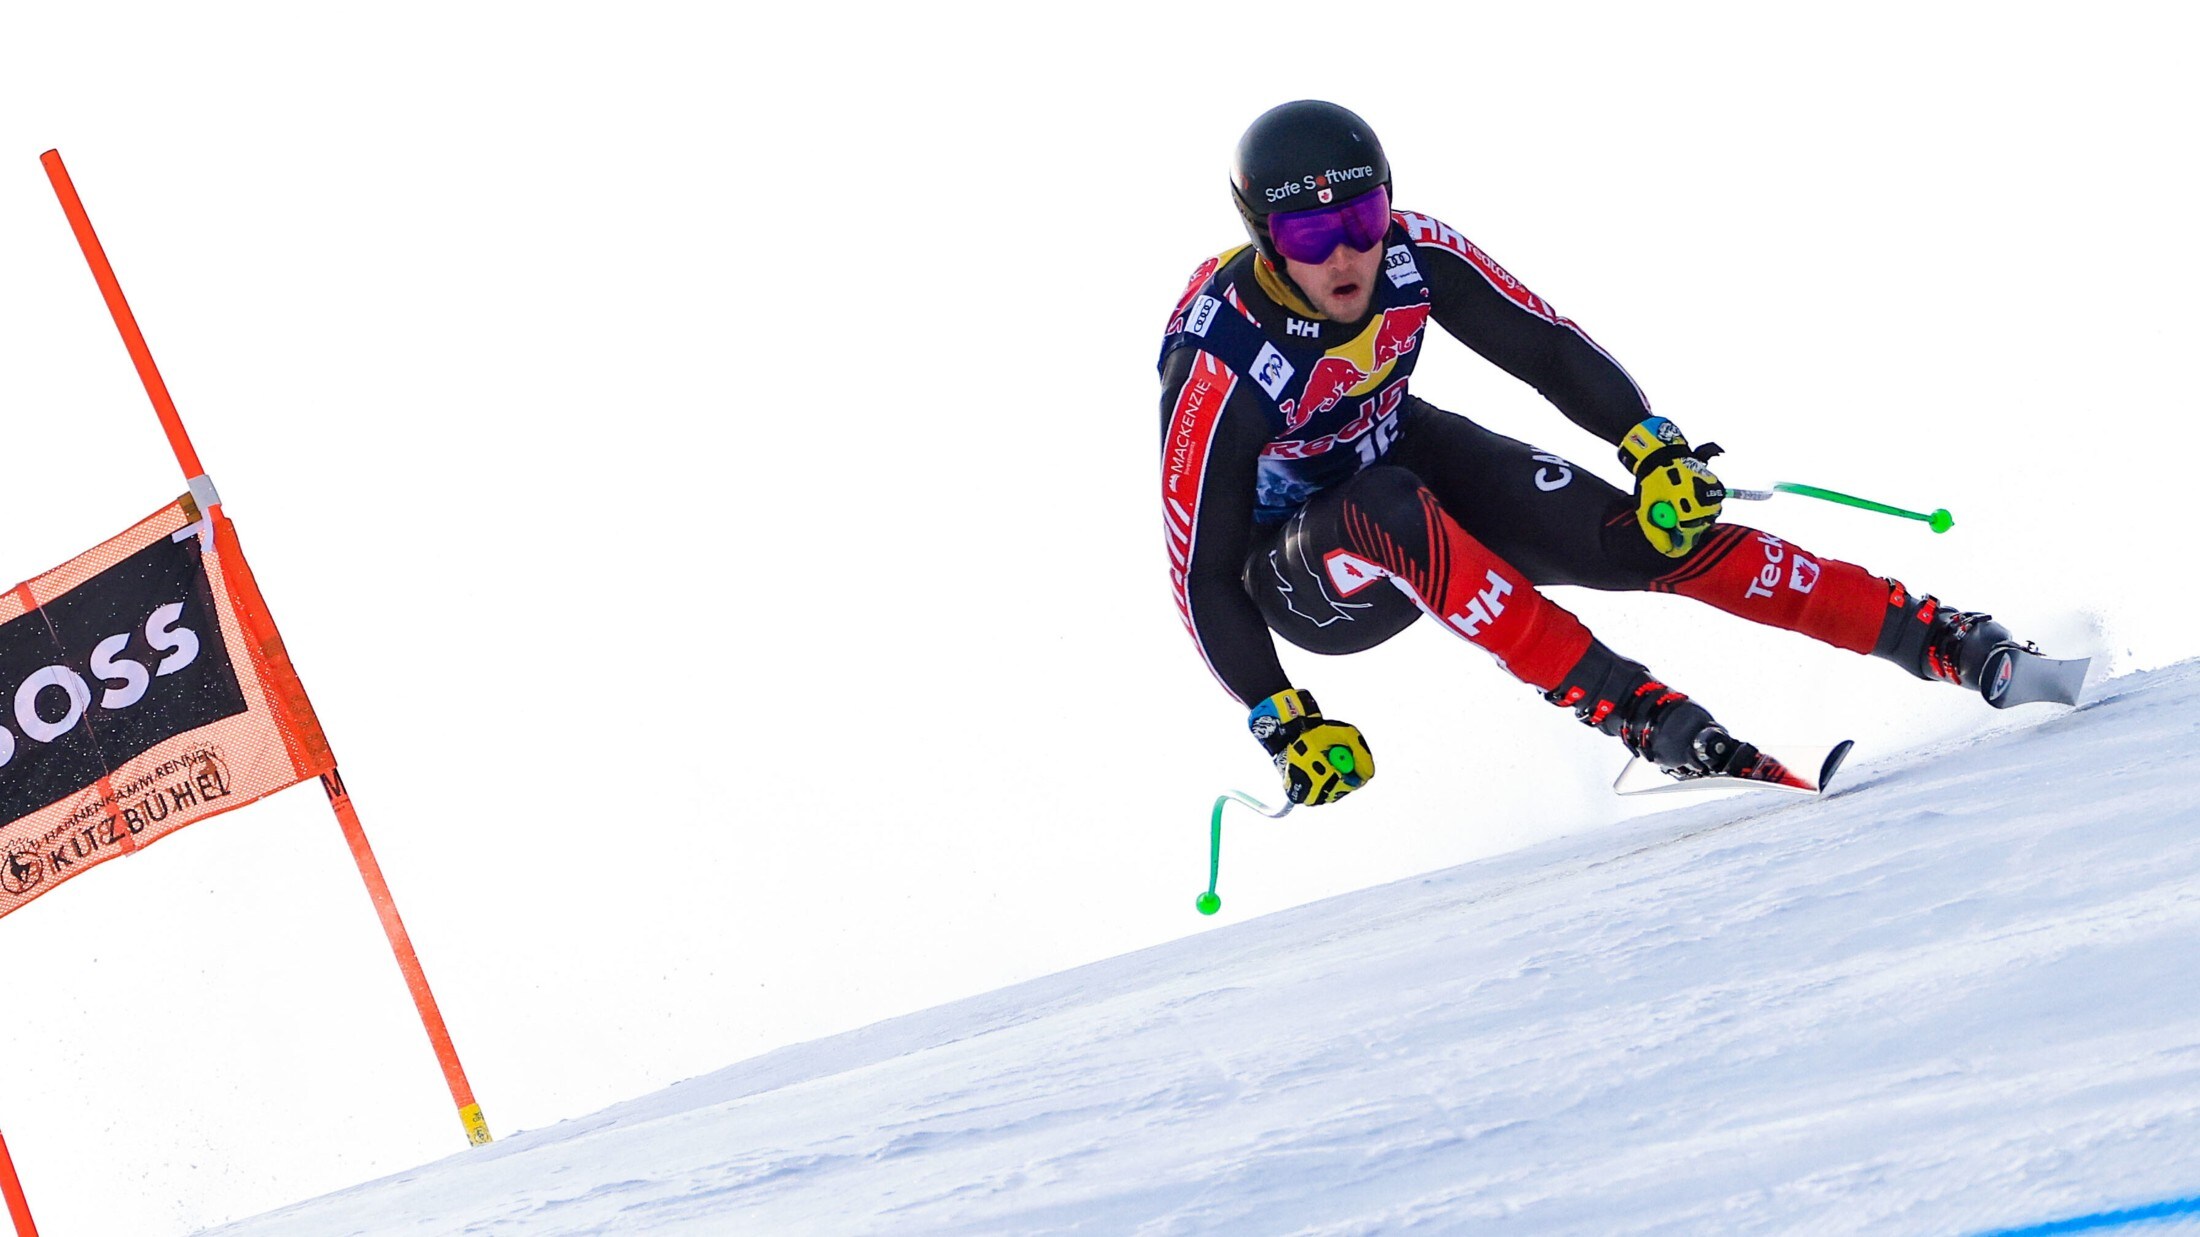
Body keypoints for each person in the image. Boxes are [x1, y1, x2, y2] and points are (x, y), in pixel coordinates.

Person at [1159, 99, 2061, 807]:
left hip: (1395, 449)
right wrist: (1281, 719)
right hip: (1304, 576)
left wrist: (1652, 445)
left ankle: (1937, 636)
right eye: (1312, 235)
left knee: (1648, 529)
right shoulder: (1222, 358)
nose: (1347, 250)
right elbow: (1201, 572)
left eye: (1362, 214)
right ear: (1266, 240)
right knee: (1388, 500)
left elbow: (1546, 348)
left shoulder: (1411, 255)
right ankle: (1641, 716)